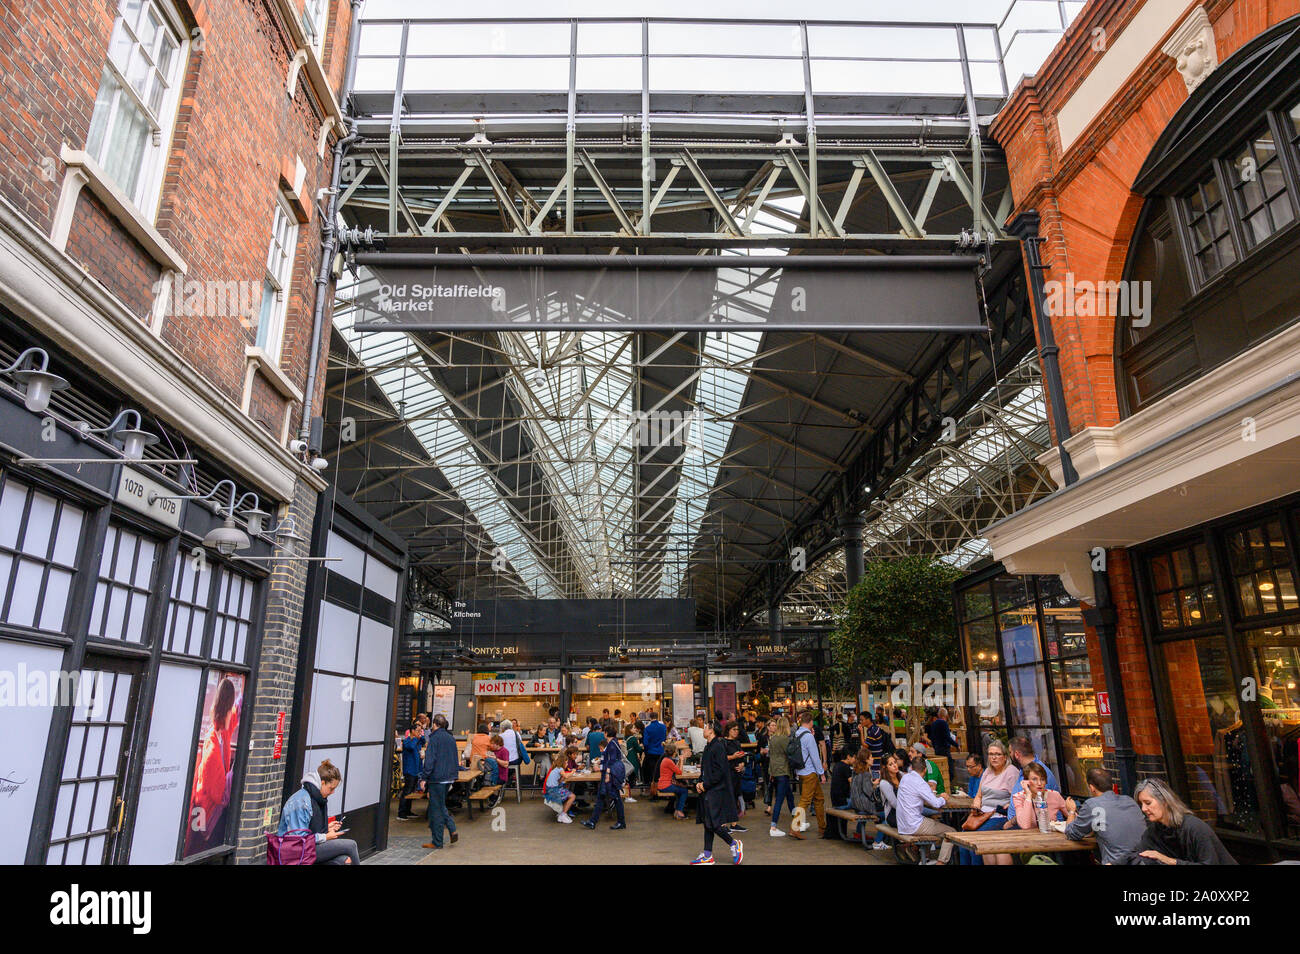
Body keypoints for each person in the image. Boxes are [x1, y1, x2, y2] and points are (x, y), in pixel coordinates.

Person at [1119, 778, 1237, 865]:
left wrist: (1170, 861)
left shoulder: (1194, 827)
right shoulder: (1156, 830)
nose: (1144, 809)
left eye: (1148, 803)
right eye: (1141, 804)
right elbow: (1137, 853)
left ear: (1164, 801)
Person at [277, 759, 359, 865]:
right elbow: (298, 838)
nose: (333, 792)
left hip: (308, 848)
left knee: (344, 861)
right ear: (322, 783)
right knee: (351, 845)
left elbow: (309, 828)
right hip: (295, 851)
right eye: (331, 788)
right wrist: (325, 836)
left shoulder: (317, 798)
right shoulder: (300, 802)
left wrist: (327, 827)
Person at [957, 740, 1021, 866]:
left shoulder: (1011, 771)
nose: (994, 757)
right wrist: (976, 804)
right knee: (962, 843)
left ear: (1005, 756)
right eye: (991, 754)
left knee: (977, 842)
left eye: (997, 754)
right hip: (981, 815)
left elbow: (1017, 798)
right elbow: (979, 795)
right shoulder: (987, 772)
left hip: (999, 816)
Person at [1064, 767, 1146, 864]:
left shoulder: (1092, 805)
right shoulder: (1129, 800)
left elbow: (1071, 833)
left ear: (1092, 788)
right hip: (1144, 860)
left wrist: (1071, 811)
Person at [691, 720, 743, 865]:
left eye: (706, 727)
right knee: (708, 823)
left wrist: (705, 784)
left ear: (712, 730)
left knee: (713, 823)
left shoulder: (718, 747)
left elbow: (720, 772)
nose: (703, 729)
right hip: (709, 789)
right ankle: (707, 855)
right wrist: (700, 783)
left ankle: (734, 844)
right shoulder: (709, 746)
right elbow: (706, 769)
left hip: (716, 791)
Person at [897, 753, 954, 864]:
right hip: (913, 825)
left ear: (912, 768)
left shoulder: (904, 778)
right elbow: (936, 804)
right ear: (925, 770)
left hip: (902, 825)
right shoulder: (920, 783)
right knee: (951, 832)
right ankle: (941, 862)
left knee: (931, 823)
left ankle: (925, 857)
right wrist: (944, 798)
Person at [419, 713, 459, 850]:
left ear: (435, 724)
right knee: (440, 805)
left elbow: (430, 761)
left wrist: (424, 778)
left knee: (436, 810)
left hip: (437, 778)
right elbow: (455, 758)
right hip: (448, 778)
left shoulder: (434, 739)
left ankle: (437, 841)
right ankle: (452, 830)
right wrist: (454, 776)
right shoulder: (451, 738)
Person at [583, 720, 627, 830]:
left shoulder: (611, 745)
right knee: (602, 797)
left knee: (615, 798)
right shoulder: (614, 743)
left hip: (610, 776)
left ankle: (621, 822)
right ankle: (593, 821)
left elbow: (611, 761)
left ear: (606, 733)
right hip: (610, 775)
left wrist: (603, 770)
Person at [789, 710, 825, 840]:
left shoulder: (796, 733)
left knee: (819, 799)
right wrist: (822, 773)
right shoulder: (809, 736)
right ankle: (795, 827)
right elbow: (815, 757)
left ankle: (822, 827)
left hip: (800, 771)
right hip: (810, 772)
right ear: (810, 722)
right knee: (805, 801)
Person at [1009, 761, 1069, 829]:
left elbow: (1073, 818)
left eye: (1042, 779)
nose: (1039, 783)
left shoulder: (1055, 795)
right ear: (1026, 781)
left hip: (1050, 834)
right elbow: (1025, 825)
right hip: (1029, 837)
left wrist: (1072, 811)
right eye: (1034, 779)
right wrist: (1028, 796)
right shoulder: (1018, 797)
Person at [766, 716, 795, 837]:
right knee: (779, 799)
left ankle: (797, 821)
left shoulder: (772, 738)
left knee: (789, 797)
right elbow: (790, 753)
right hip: (783, 770)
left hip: (775, 771)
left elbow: (771, 757)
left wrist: (771, 772)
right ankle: (773, 826)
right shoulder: (785, 739)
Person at [398, 720, 425, 820]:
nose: (419, 733)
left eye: (420, 731)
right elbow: (411, 746)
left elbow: (424, 741)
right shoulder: (407, 741)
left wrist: (420, 736)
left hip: (416, 769)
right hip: (409, 770)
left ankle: (408, 811)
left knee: (411, 792)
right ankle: (401, 813)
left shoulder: (418, 741)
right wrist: (415, 738)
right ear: (412, 731)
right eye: (418, 731)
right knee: (407, 791)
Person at [658, 741, 690, 818]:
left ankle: (677, 810)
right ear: (674, 752)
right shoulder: (668, 761)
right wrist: (682, 760)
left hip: (663, 784)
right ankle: (679, 811)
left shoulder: (666, 759)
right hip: (665, 786)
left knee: (681, 789)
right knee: (684, 791)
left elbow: (675, 768)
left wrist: (679, 760)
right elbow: (679, 772)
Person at [544, 756, 576, 823]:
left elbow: (559, 781)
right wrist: (573, 771)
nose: (567, 764)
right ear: (563, 762)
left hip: (550, 789)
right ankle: (563, 815)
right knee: (572, 796)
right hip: (553, 791)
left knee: (567, 791)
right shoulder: (560, 768)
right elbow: (566, 776)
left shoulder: (555, 769)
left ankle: (562, 813)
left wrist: (563, 779)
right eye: (566, 763)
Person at [643, 711, 667, 794]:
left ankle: (652, 791)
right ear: (657, 717)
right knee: (659, 772)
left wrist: (646, 752)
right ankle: (660, 789)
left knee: (651, 772)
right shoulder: (663, 727)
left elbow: (645, 743)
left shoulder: (647, 728)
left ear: (650, 718)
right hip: (660, 752)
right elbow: (664, 739)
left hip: (651, 752)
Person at [926, 706, 954, 776]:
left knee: (942, 768)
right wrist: (956, 744)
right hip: (942, 749)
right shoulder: (942, 723)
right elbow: (947, 737)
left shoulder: (933, 725)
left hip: (937, 748)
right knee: (949, 770)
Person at [624, 724, 644, 789]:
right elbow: (638, 749)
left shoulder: (625, 737)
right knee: (634, 769)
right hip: (632, 756)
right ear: (630, 730)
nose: (635, 729)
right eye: (633, 728)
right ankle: (634, 782)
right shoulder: (633, 738)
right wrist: (642, 747)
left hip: (627, 755)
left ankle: (629, 783)